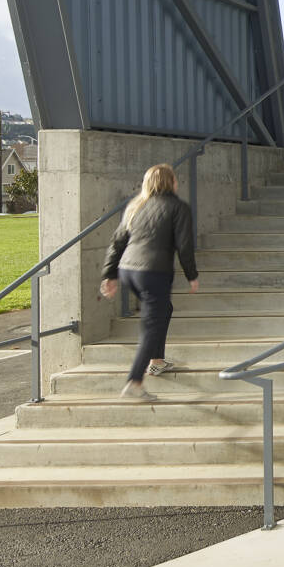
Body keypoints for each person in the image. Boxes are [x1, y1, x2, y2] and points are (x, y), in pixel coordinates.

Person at [99, 163, 199, 401]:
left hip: (128, 270)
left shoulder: (136, 206)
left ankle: (157, 360)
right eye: (175, 178)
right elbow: (185, 246)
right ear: (171, 182)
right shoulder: (178, 207)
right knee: (151, 326)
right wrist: (192, 275)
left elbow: (117, 242)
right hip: (153, 272)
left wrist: (109, 274)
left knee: (164, 310)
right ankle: (134, 382)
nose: (177, 182)